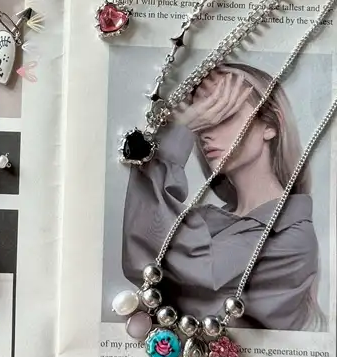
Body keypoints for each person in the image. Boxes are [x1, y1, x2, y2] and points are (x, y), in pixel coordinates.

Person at [121, 63, 325, 331]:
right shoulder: (203, 222)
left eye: (223, 112)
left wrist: (178, 132)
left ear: (270, 125)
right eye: (201, 117)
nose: (205, 131)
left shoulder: (293, 239)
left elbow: (159, 260)